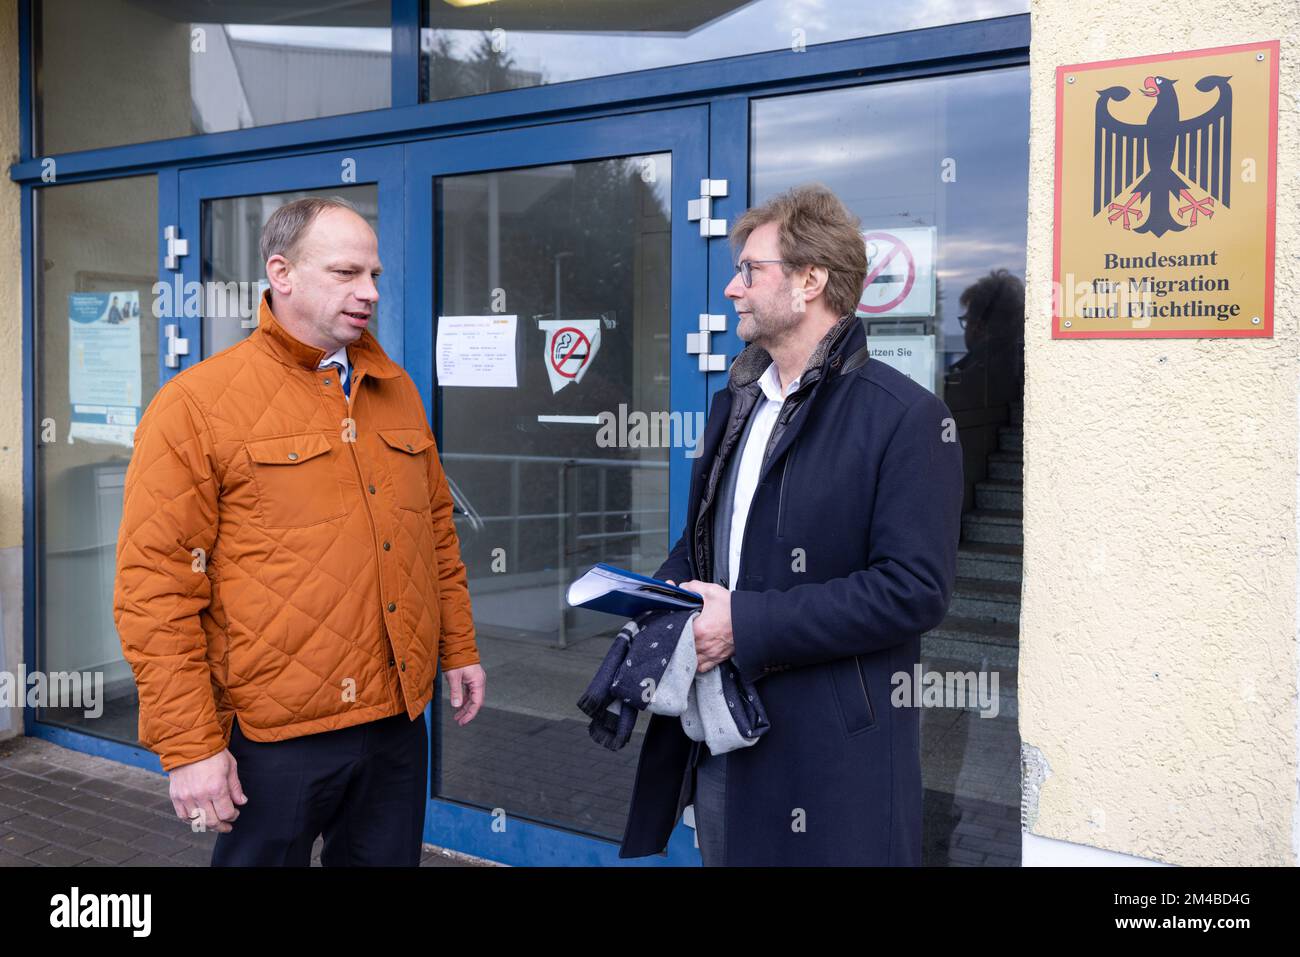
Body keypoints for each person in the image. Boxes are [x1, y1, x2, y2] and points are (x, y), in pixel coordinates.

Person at [113, 196, 485, 866]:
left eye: (374, 275)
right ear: (280, 273)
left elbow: (434, 534)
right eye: (346, 273)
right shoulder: (197, 405)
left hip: (396, 722)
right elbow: (155, 589)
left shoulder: (394, 389)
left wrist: (458, 648)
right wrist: (192, 744)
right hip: (274, 738)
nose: (369, 291)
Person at [618, 184, 963, 865]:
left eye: (750, 269)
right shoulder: (736, 404)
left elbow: (913, 589)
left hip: (831, 755)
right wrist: (651, 601)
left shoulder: (904, 416)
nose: (731, 288)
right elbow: (707, 541)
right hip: (723, 735)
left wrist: (744, 623)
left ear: (811, 280)